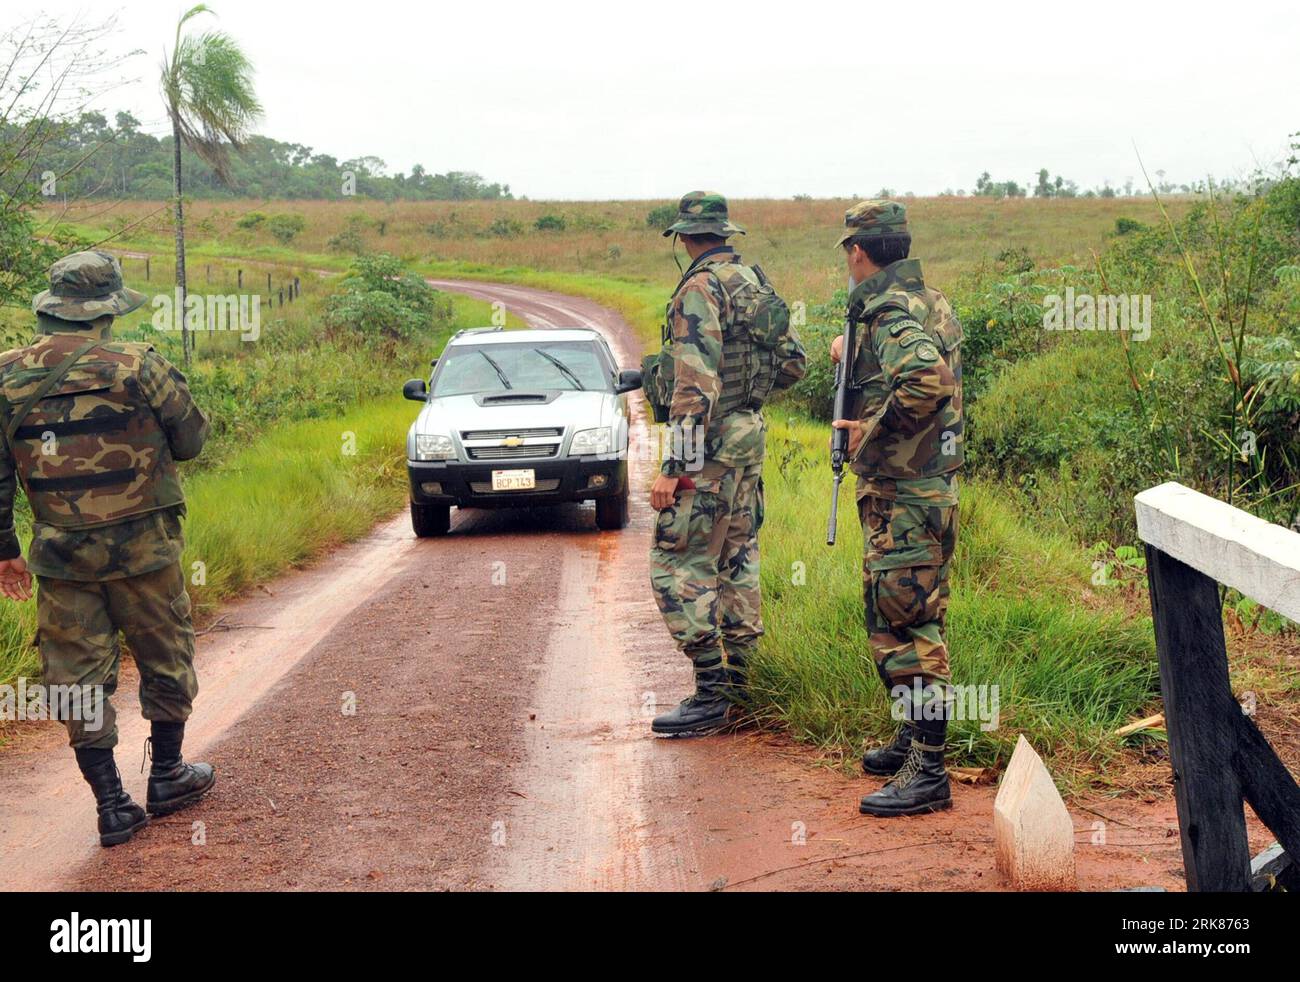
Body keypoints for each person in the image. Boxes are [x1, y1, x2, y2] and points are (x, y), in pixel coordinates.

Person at [0, 250, 215, 847]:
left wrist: (4, 547)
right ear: (106, 312)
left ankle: (113, 806)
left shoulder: (6, 373)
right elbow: (192, 441)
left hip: (60, 558)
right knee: (166, 654)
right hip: (144, 550)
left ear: (54, 310)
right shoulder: (139, 365)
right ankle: (168, 775)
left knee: (76, 678)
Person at [645, 191, 805, 736]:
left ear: (684, 238)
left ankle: (712, 693)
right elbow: (794, 365)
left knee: (678, 560)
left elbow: (695, 385)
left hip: (709, 445)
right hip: (749, 436)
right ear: (725, 234)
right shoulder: (755, 285)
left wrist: (674, 468)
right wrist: (749, 395)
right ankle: (744, 688)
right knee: (737, 555)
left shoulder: (697, 288)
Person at [829, 201, 964, 816]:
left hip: (907, 495)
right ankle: (911, 739)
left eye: (848, 254)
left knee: (909, 627)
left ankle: (928, 770)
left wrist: (870, 434)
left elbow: (926, 381)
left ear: (860, 253)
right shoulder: (928, 299)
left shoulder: (887, 311)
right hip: (922, 488)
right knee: (894, 614)